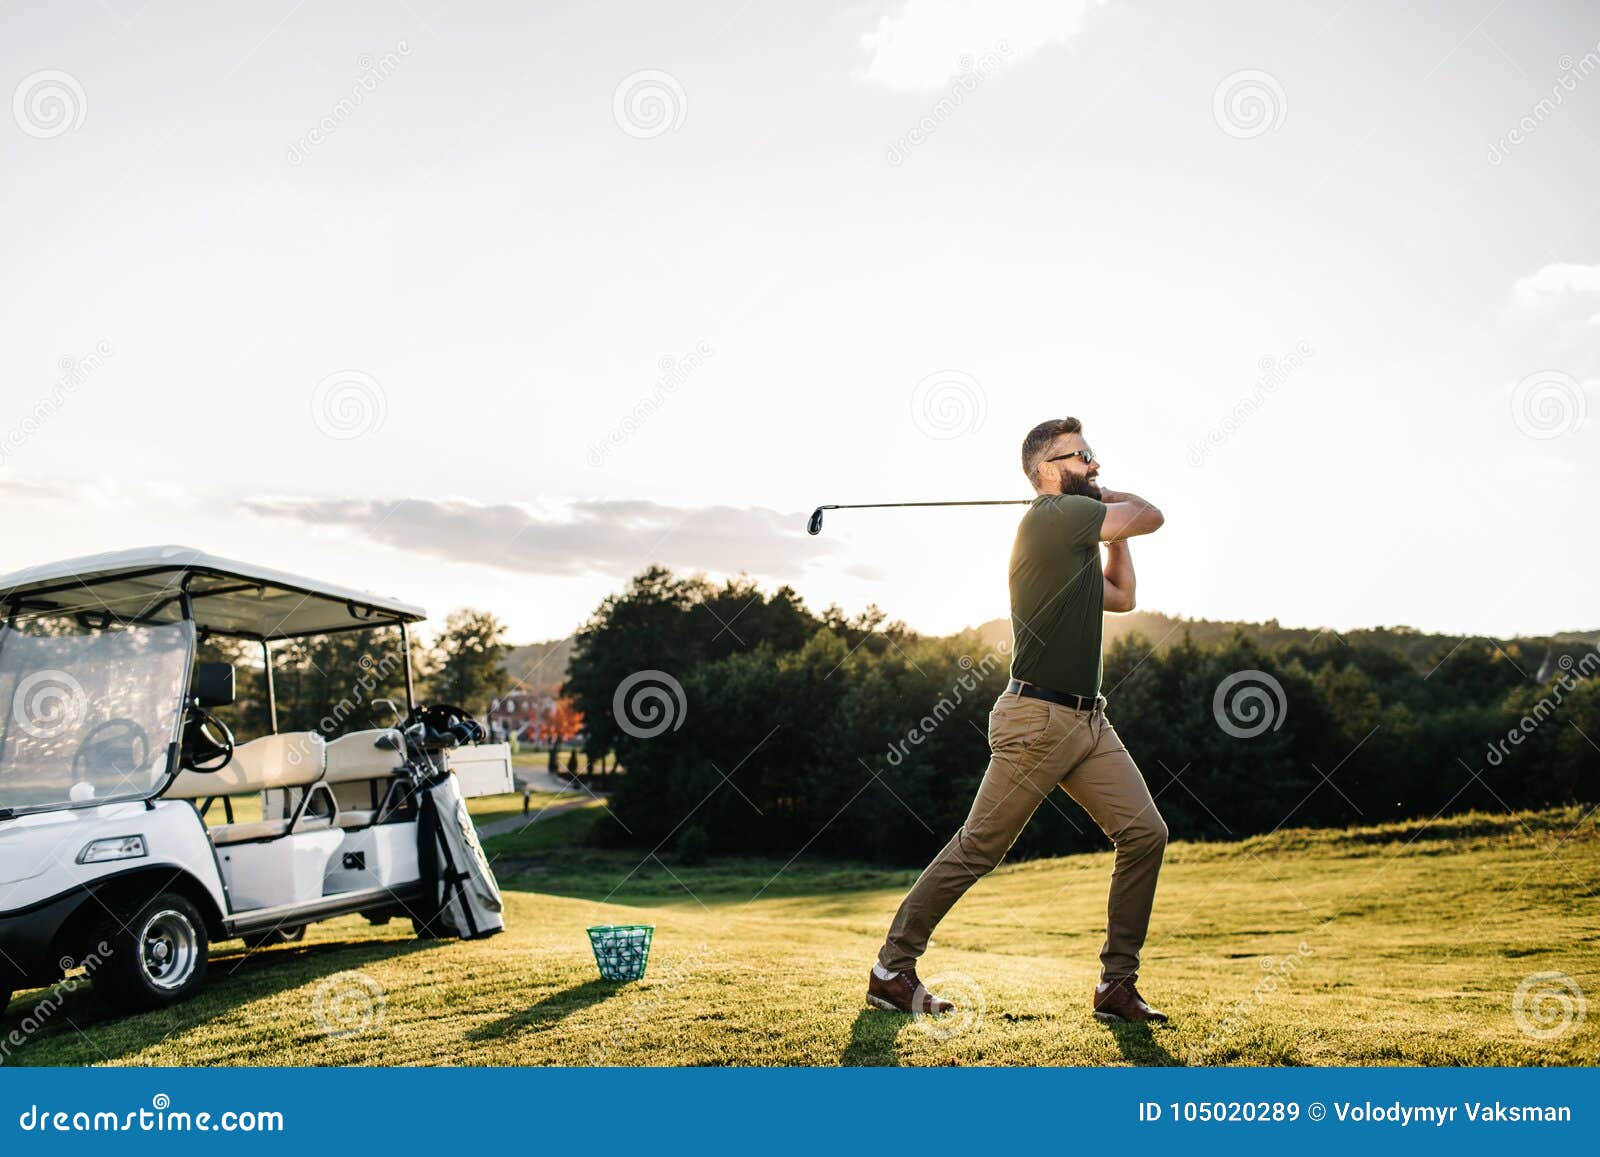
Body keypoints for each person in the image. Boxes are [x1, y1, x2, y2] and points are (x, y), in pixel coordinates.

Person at [867, 417, 1171, 1023]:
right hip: (1037, 718)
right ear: (1045, 470)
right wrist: (1109, 502)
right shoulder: (1053, 517)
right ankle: (891, 971)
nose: (1093, 463)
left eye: (1094, 455)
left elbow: (1122, 596)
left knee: (1145, 835)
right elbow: (1152, 512)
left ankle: (1117, 986)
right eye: (1080, 456)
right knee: (979, 848)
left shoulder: (1072, 535)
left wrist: (1113, 530)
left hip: (1088, 721)